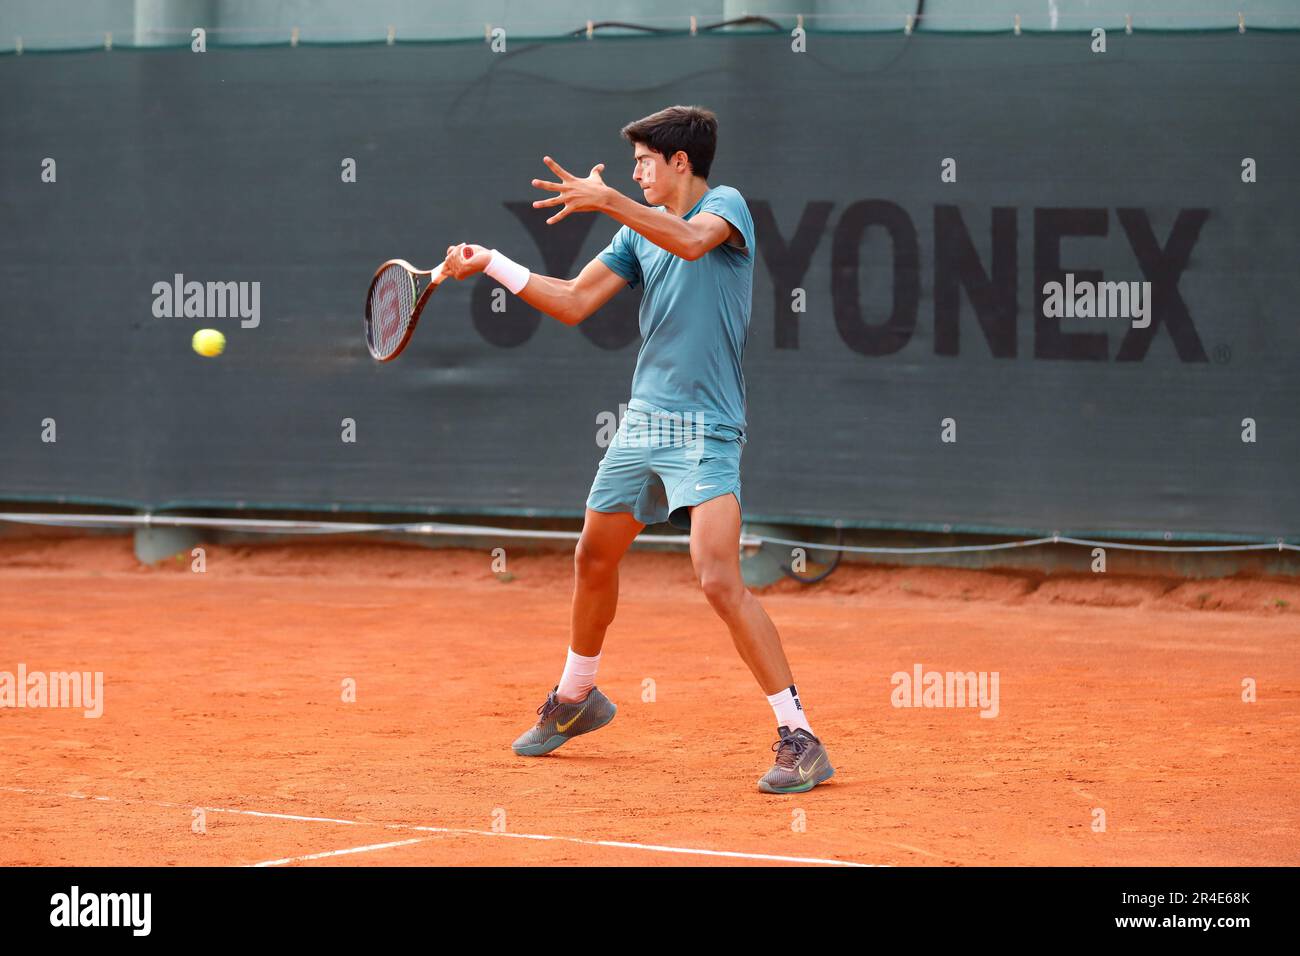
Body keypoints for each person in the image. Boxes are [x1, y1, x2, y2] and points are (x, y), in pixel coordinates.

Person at [440, 105, 833, 793]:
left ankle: (798, 734)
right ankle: (576, 697)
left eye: (645, 161)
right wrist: (494, 263)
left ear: (681, 163)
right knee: (593, 555)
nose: (635, 172)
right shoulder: (635, 235)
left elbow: (686, 242)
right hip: (644, 424)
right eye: (631, 166)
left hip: (705, 427)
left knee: (716, 578)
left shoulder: (726, 208)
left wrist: (609, 201)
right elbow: (570, 301)